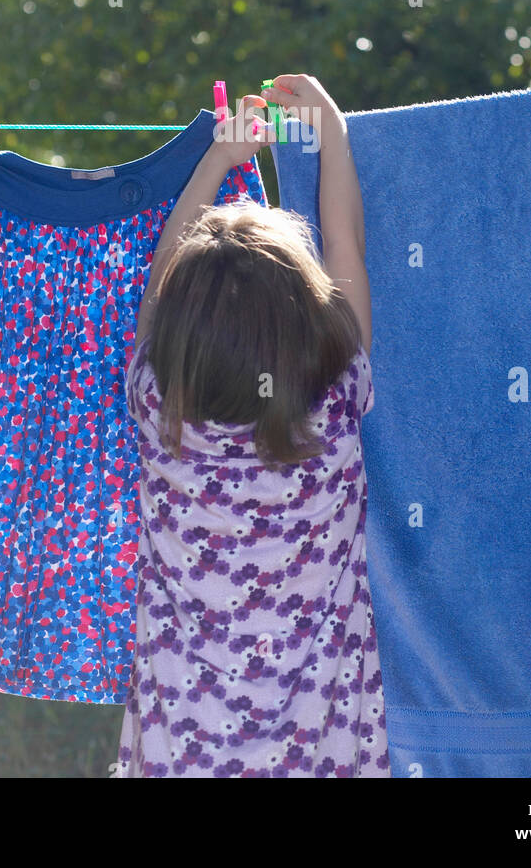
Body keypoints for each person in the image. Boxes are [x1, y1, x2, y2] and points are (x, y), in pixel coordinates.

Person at [111, 74, 391, 777]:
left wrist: (217, 161)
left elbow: (159, 287)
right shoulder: (334, 402)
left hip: (184, 746)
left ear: (180, 332)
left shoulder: (160, 411)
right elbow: (346, 248)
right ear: (308, 317)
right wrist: (334, 134)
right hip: (323, 745)